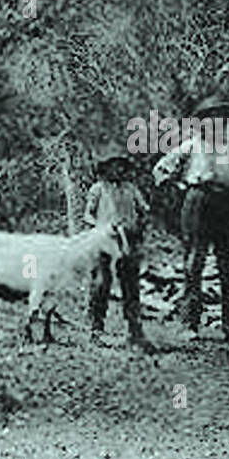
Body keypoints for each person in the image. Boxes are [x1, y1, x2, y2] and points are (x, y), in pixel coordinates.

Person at [152, 94, 229, 341]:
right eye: (212, 118)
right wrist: (180, 186)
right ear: (203, 122)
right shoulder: (192, 145)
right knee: (194, 262)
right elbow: (160, 169)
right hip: (198, 200)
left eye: (223, 118)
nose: (218, 123)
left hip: (226, 202)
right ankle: (190, 324)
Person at [85, 144, 150, 347]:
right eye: (113, 166)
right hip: (104, 241)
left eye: (121, 166)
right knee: (101, 284)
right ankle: (96, 329)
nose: (118, 170)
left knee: (131, 285)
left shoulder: (131, 189)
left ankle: (134, 328)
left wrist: (139, 227)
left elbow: (144, 210)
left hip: (127, 241)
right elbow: (88, 214)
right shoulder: (98, 189)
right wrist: (101, 227)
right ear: (105, 168)